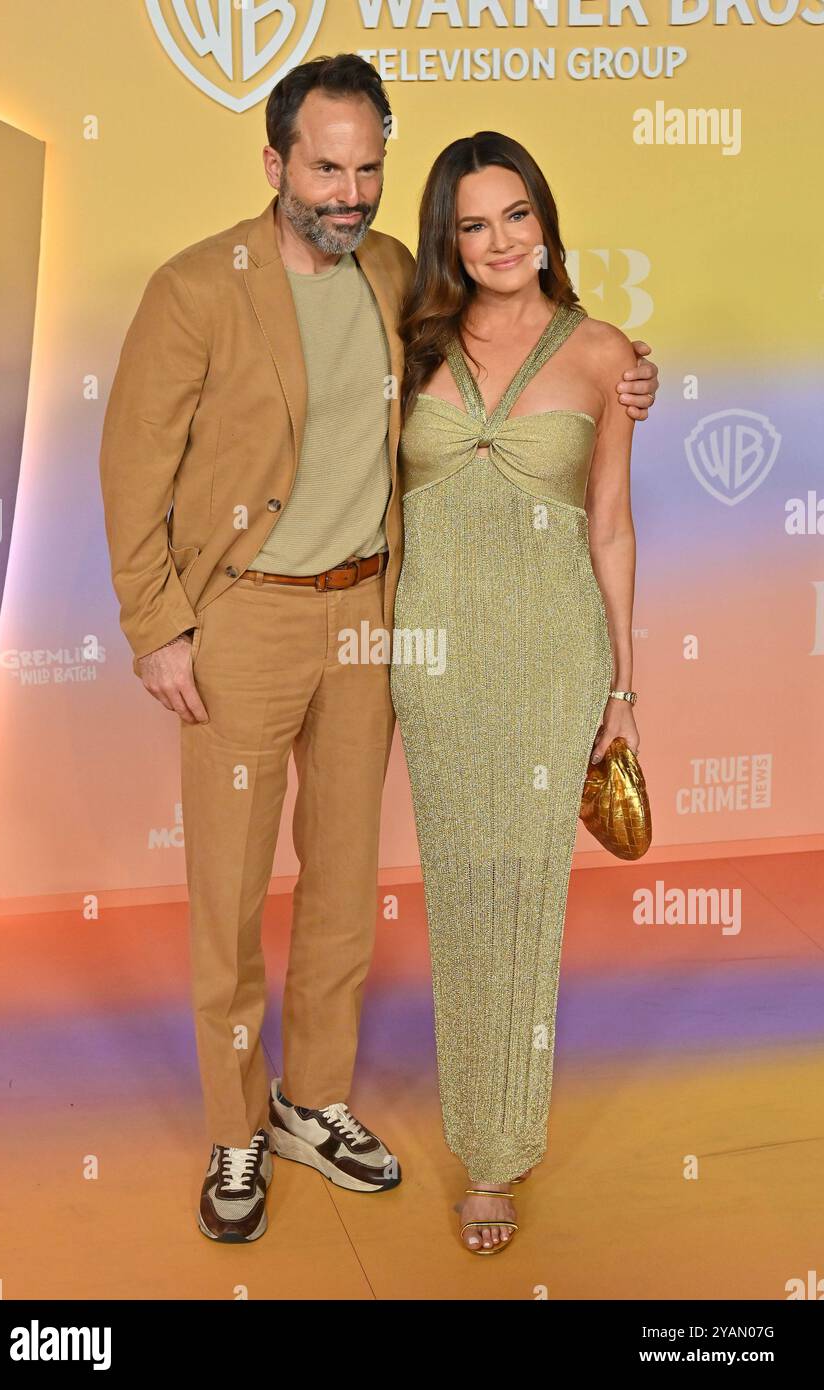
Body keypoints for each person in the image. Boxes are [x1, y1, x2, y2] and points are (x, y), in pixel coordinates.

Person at [99, 55, 658, 1245]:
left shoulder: (398, 275)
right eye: (326, 167)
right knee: (230, 892)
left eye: (368, 168)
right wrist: (158, 626)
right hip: (244, 614)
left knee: (345, 885)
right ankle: (236, 1128)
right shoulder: (198, 286)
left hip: (372, 615)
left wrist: (626, 374)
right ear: (276, 165)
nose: (349, 192)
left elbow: (530, 358)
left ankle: (315, 1101)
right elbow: (132, 467)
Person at [391, 131, 640, 1255]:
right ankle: (476, 1114)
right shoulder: (410, 342)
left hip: (553, 653)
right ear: (449, 236)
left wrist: (626, 689)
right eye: (473, 223)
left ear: (545, 219)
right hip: (436, 656)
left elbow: (612, 525)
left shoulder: (602, 354)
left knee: (527, 895)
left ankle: (497, 1154)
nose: (499, 242)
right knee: (463, 884)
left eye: (517, 216)